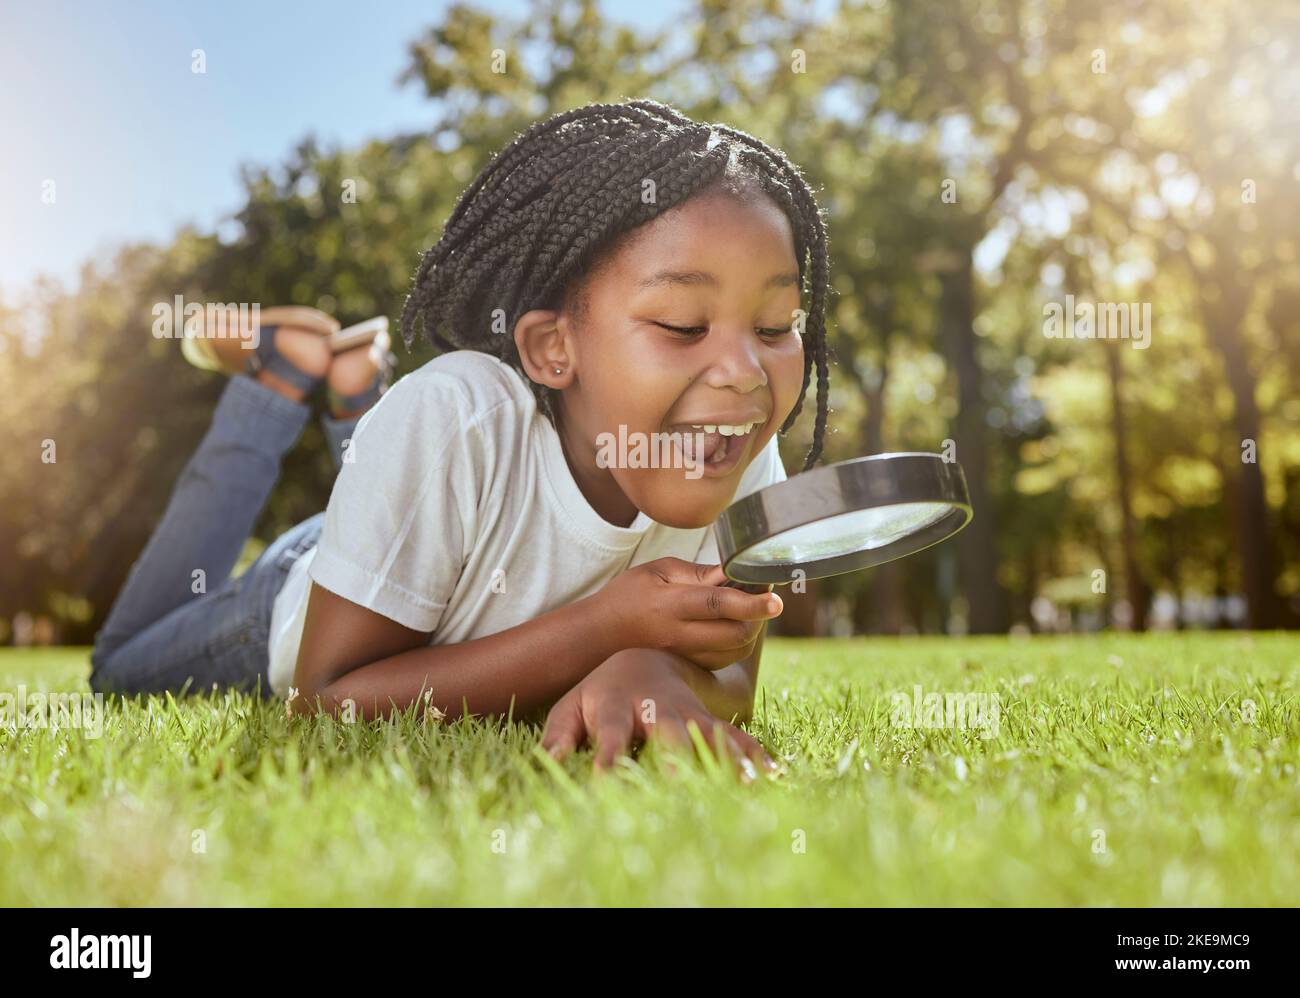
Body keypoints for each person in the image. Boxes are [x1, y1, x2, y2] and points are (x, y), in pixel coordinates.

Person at [91, 98, 833, 773]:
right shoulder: (453, 414)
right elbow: (326, 703)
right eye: (681, 326)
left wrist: (660, 672)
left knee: (433, 465)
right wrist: (605, 630)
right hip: (316, 587)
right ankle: (275, 382)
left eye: (775, 328)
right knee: (117, 670)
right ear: (552, 348)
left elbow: (733, 676)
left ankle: (353, 387)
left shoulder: (734, 444)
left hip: (427, 523)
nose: (744, 373)